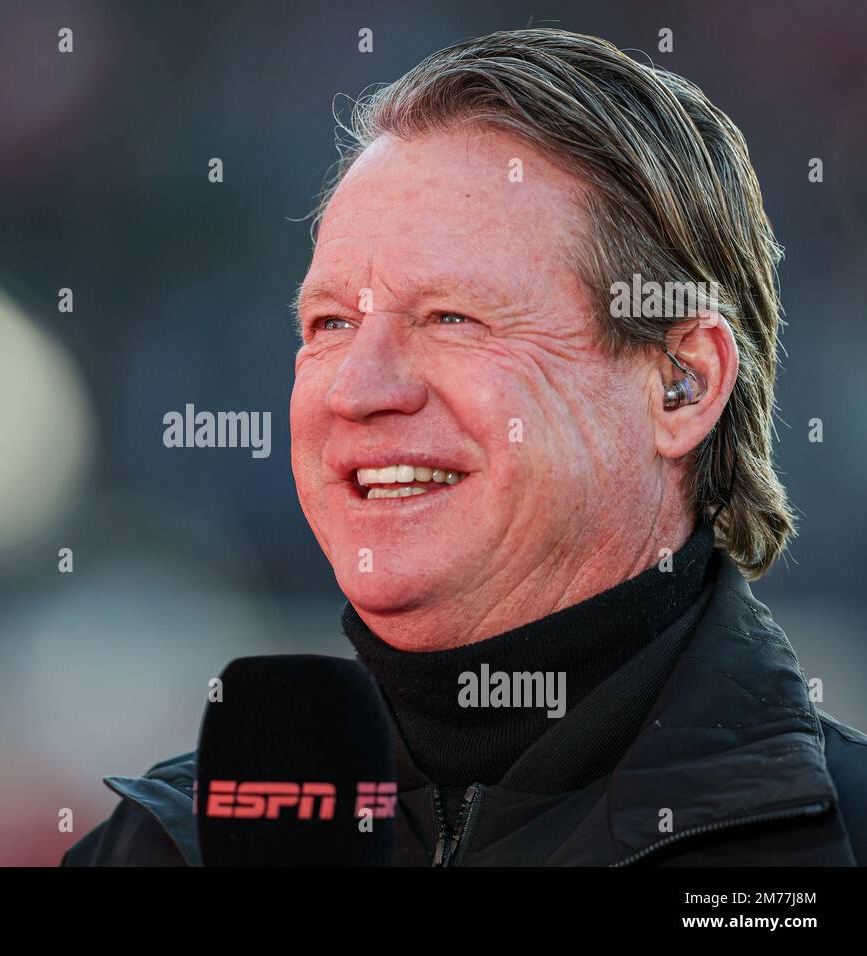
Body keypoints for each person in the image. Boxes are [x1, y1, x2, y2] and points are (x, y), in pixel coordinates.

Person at [63, 27, 867, 866]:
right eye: (330, 324)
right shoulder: (156, 849)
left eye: (453, 317)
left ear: (682, 385)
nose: (356, 391)